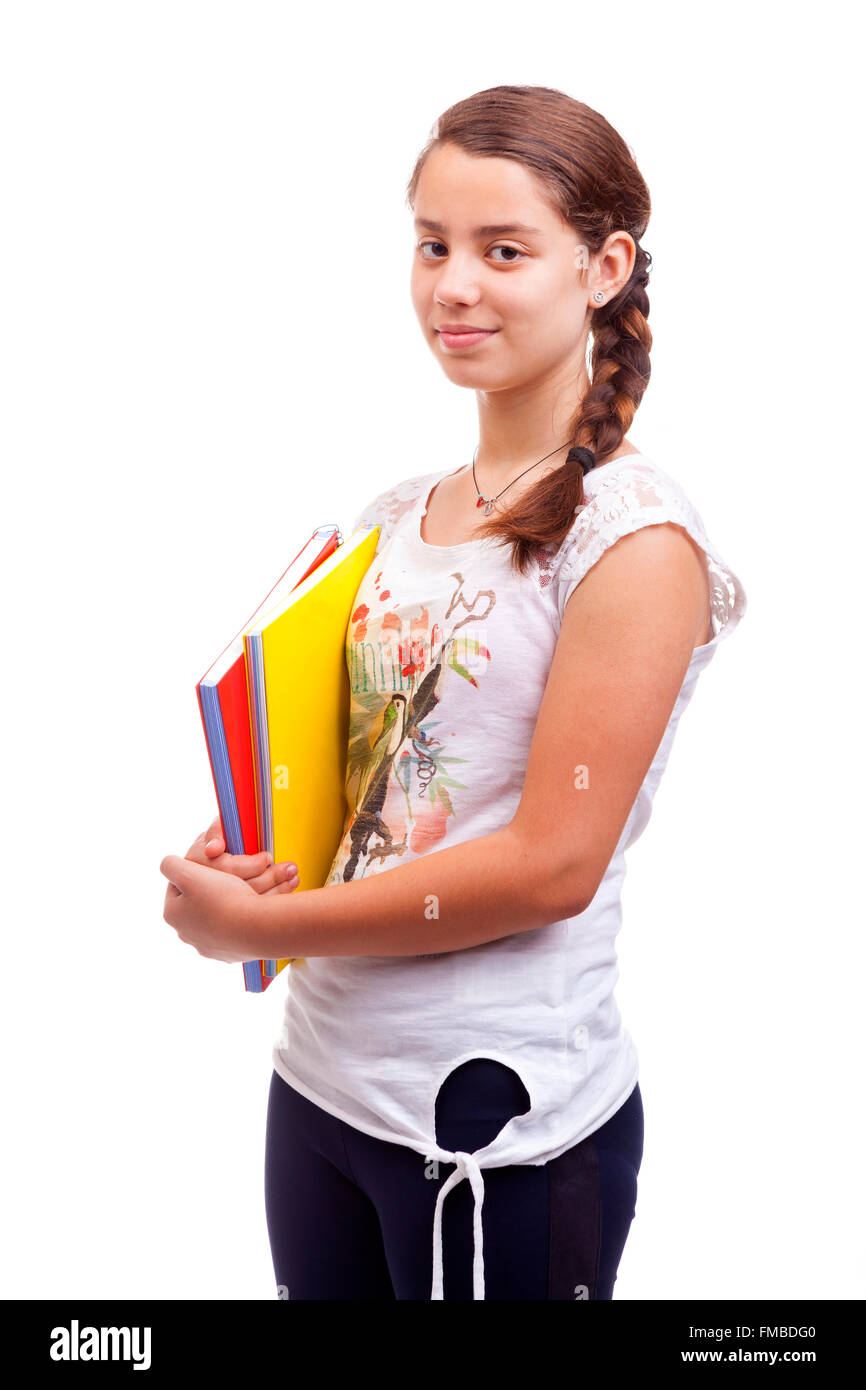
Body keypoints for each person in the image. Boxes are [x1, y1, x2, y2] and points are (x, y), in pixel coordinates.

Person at [162, 84, 747, 1300]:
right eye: (431, 244)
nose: (452, 286)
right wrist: (261, 849)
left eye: (502, 250)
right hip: (323, 1084)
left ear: (602, 267)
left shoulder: (632, 543)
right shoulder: (392, 516)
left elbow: (550, 864)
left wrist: (265, 931)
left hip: (493, 1127)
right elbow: (370, 786)